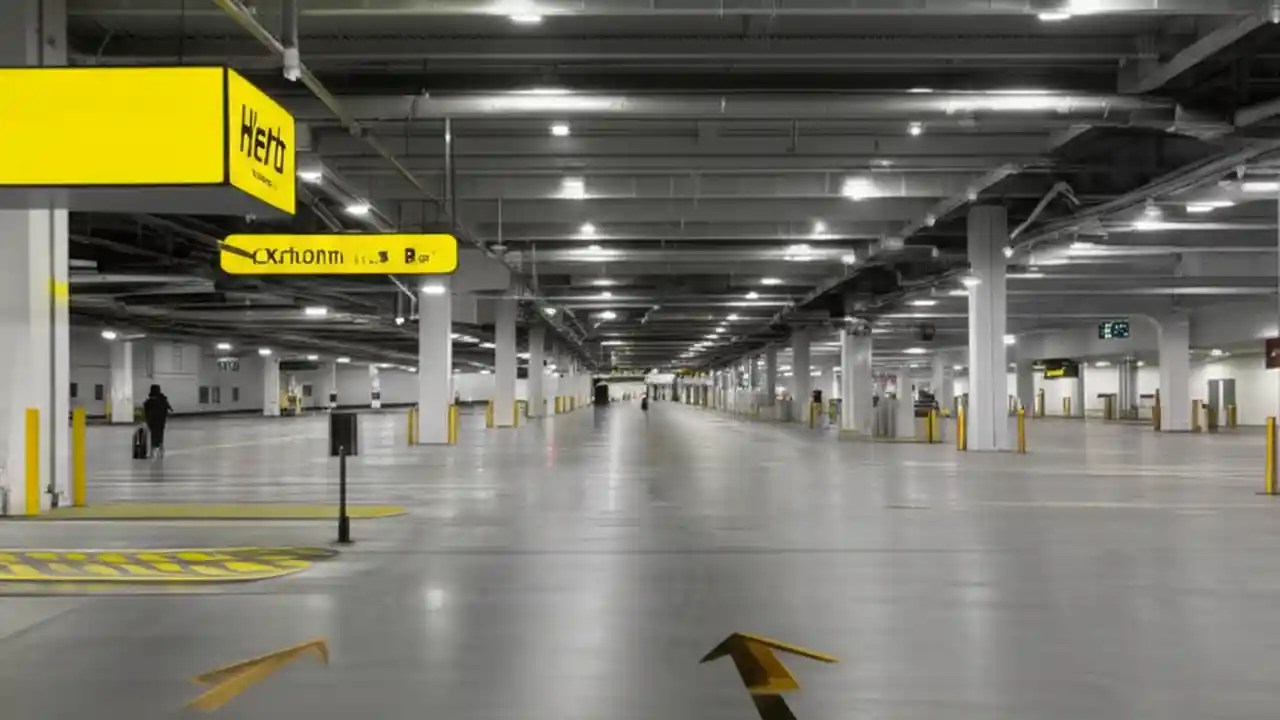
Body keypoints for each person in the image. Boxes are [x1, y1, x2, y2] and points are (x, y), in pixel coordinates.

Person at [142, 384, 174, 459]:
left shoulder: (150, 400)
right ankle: (161, 449)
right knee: (160, 433)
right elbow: (169, 407)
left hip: (152, 421)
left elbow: (145, 407)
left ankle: (153, 452)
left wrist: (146, 419)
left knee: (153, 435)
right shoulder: (163, 398)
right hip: (161, 421)